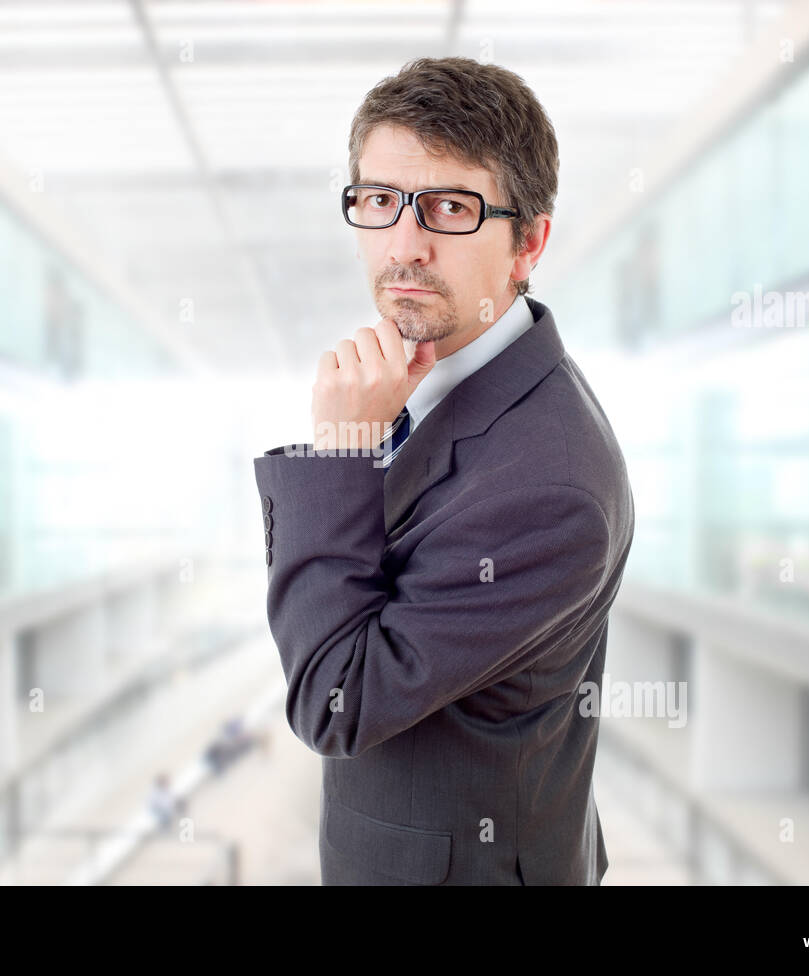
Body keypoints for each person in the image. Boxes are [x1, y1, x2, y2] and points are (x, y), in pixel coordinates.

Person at [252, 57, 635, 885]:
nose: (404, 245)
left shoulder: (548, 489)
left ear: (527, 242)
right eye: (380, 202)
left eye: (450, 209)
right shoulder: (440, 376)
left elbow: (335, 698)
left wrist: (344, 450)